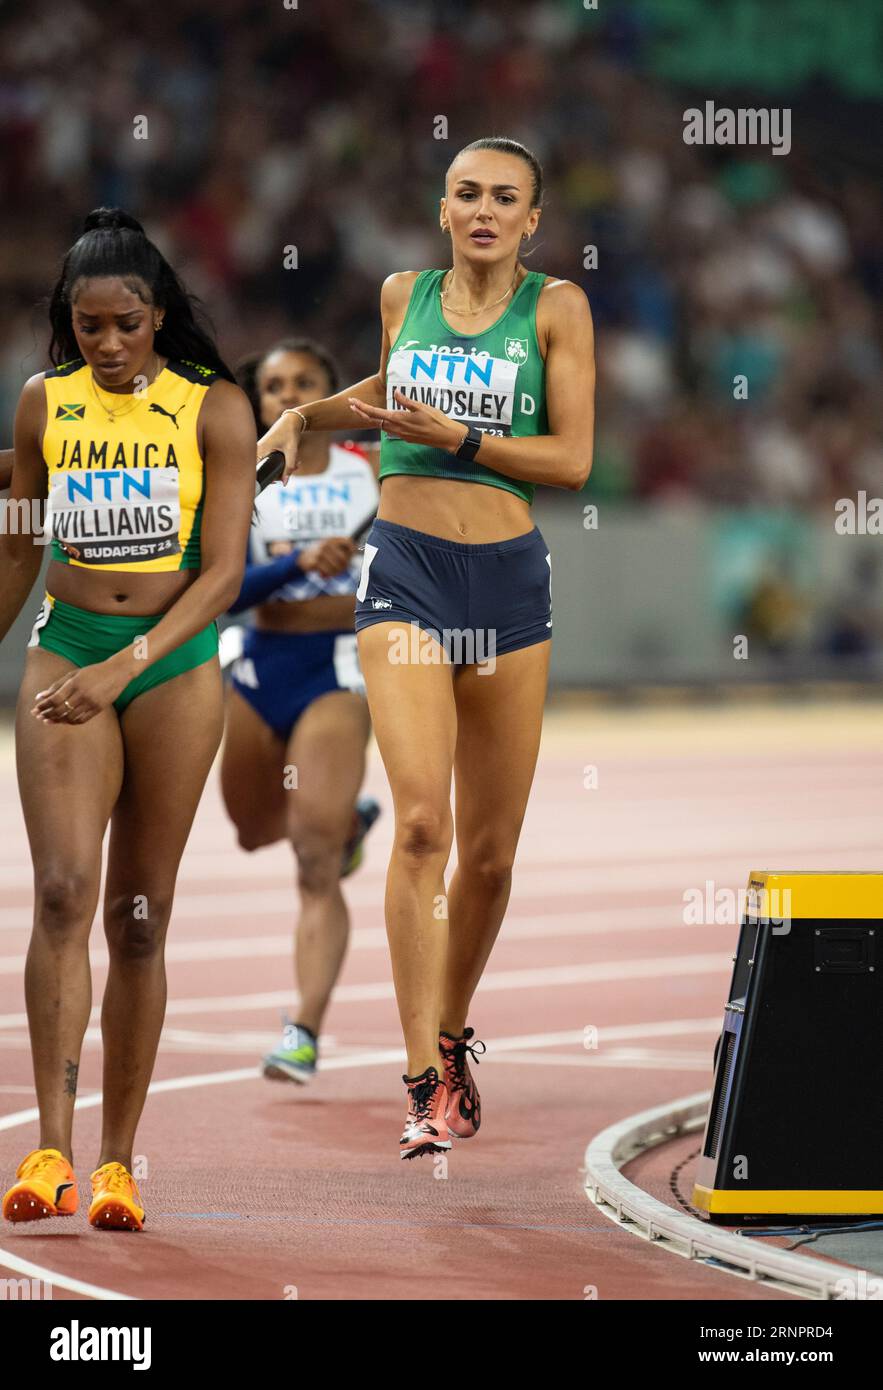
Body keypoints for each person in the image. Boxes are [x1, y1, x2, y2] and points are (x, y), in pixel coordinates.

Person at [257, 138, 595, 1158]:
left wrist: (458, 438)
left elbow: (571, 458)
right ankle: (417, 1081)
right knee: (417, 825)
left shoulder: (556, 308)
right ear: (442, 207)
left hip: (505, 584)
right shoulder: (405, 292)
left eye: (504, 198)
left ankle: (450, 1042)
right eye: (465, 194)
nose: (483, 210)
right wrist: (302, 418)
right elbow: (386, 383)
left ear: (532, 219)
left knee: (488, 857)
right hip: (402, 571)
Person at [0, 207, 255, 1227]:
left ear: (160, 317)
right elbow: (19, 544)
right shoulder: (40, 405)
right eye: (88, 326)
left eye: (128, 324)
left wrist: (127, 671)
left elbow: (224, 573)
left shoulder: (214, 409)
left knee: (136, 920)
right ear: (67, 324)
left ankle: (117, 1160)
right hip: (66, 649)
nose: (108, 345)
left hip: (176, 663)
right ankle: (51, 1149)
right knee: (62, 891)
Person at [220, 338, 382, 1083]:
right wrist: (291, 564)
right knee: (256, 831)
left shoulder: (371, 475)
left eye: (305, 383)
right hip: (256, 665)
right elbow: (219, 592)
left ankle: (304, 1031)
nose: (288, 396)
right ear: (256, 401)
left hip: (337, 670)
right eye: (274, 385)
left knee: (312, 862)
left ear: (330, 394)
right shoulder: (236, 481)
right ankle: (348, 819)